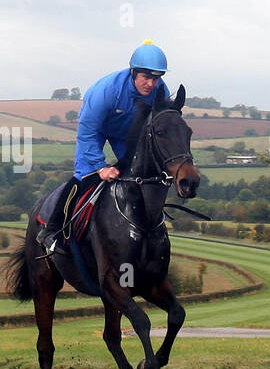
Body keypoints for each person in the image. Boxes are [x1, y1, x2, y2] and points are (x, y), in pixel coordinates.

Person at [38, 40, 172, 253]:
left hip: (127, 133)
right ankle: (52, 230)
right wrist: (100, 167)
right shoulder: (106, 91)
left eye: (156, 79)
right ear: (133, 72)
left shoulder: (160, 92)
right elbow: (87, 132)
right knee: (85, 174)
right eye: (146, 78)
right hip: (95, 129)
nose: (151, 84)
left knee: (137, 174)